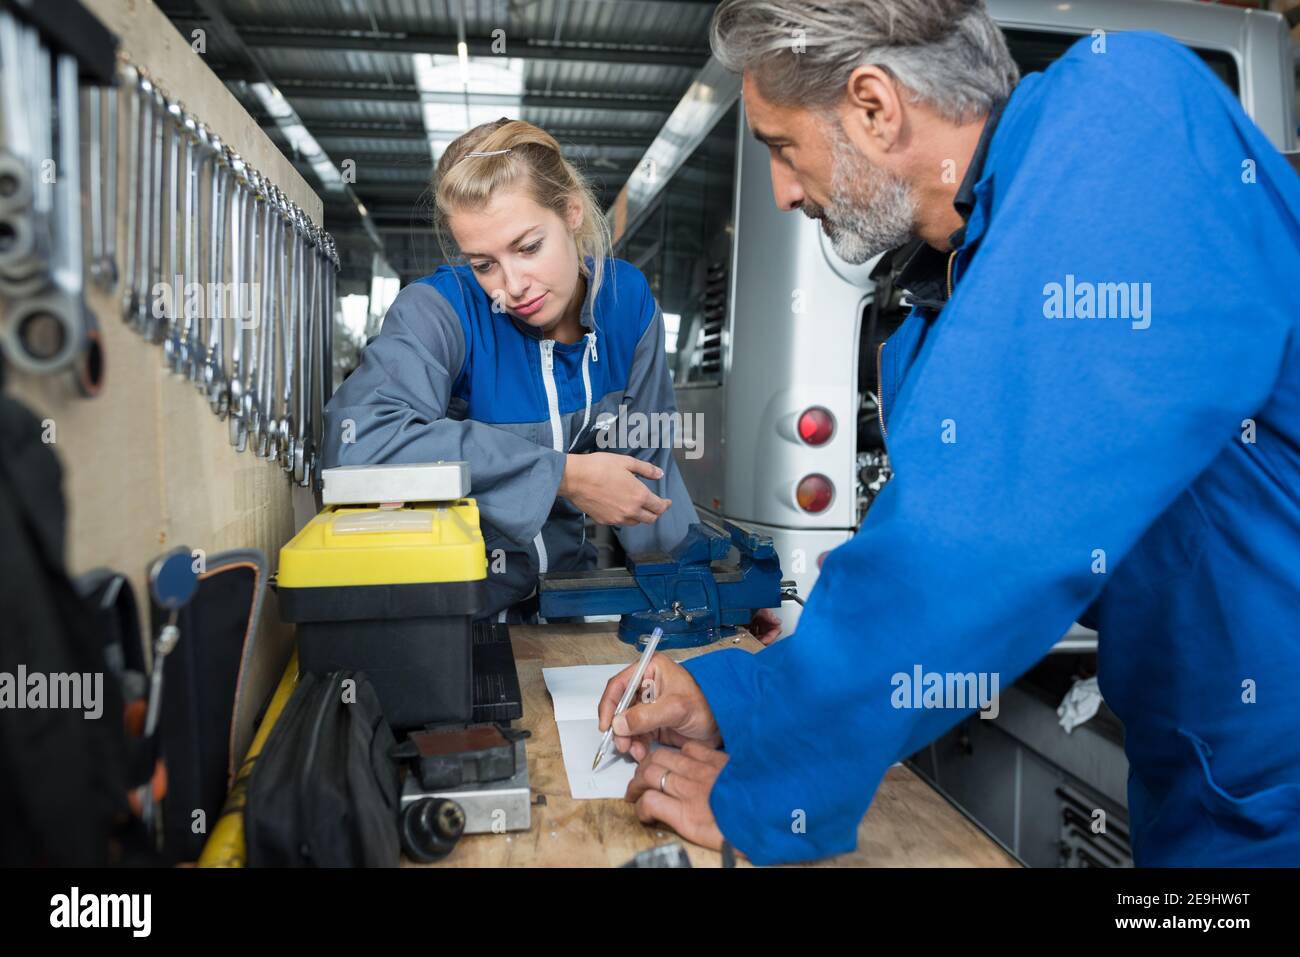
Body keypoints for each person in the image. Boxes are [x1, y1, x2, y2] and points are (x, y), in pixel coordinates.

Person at [599, 0, 1300, 865]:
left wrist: (775, 788)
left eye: (782, 146)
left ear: (874, 106)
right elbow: (925, 553)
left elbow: (972, 544)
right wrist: (742, 698)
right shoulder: (961, 270)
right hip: (1206, 785)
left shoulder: (1124, 111)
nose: (781, 190)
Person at [322, 119, 705, 623]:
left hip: (569, 607)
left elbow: (650, 476)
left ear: (570, 211)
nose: (512, 286)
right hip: (454, 617)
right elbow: (357, 445)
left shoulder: (626, 303)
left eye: (528, 248)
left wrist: (708, 596)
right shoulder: (439, 312)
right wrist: (560, 475)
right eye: (484, 264)